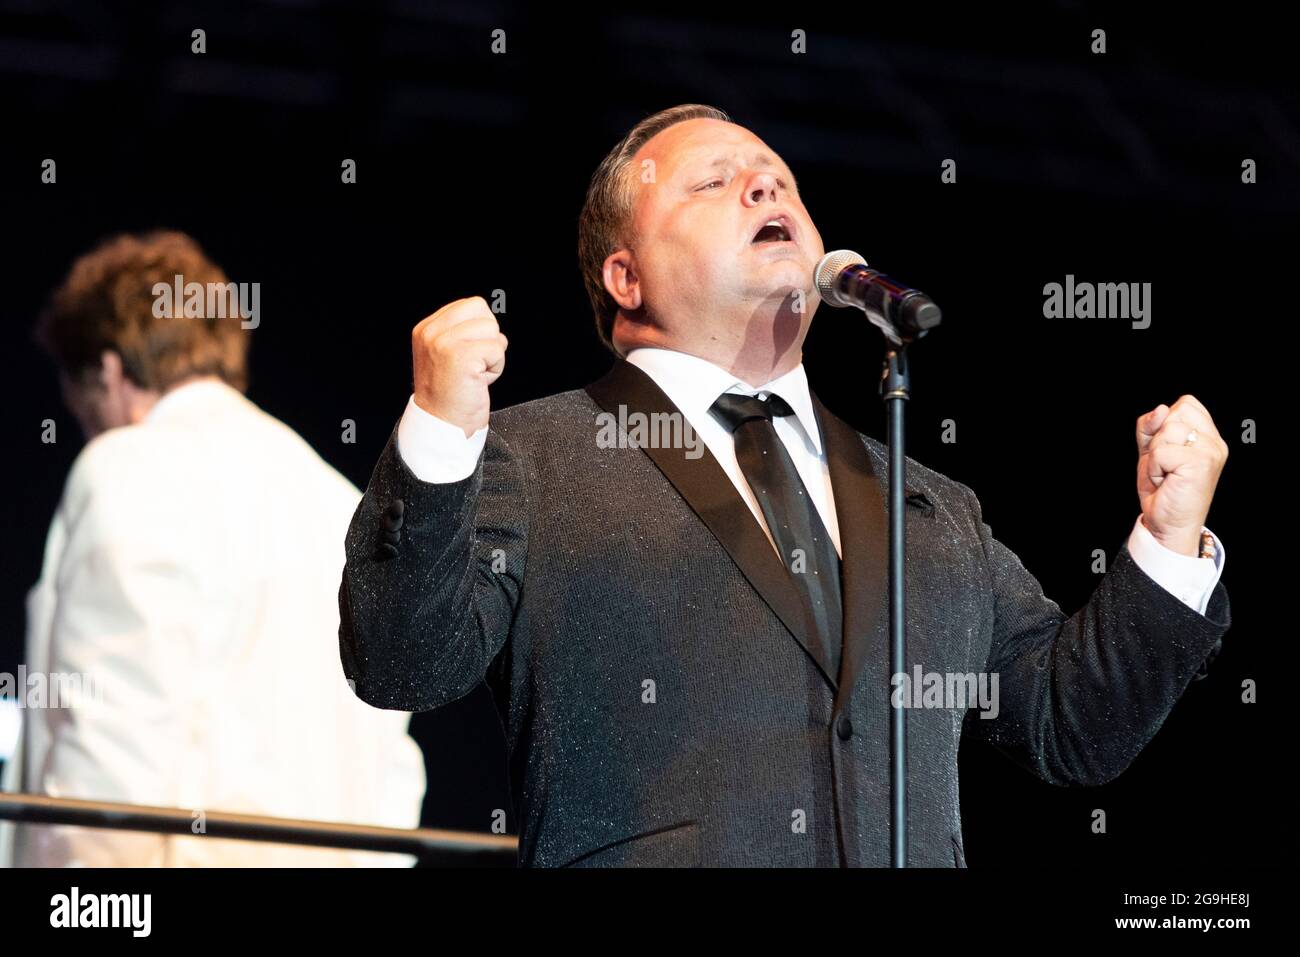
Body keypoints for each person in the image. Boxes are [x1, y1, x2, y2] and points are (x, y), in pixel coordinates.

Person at [339, 105, 1230, 867]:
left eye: (779, 179)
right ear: (626, 275)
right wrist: (436, 432)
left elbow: (1069, 725)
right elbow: (403, 663)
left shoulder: (927, 501)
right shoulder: (534, 455)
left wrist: (1169, 539)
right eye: (713, 182)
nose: (767, 189)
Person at [3, 230, 425, 867]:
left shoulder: (128, 466)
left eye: (82, 411)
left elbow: (110, 750)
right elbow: (391, 766)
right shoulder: (341, 502)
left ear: (109, 370)